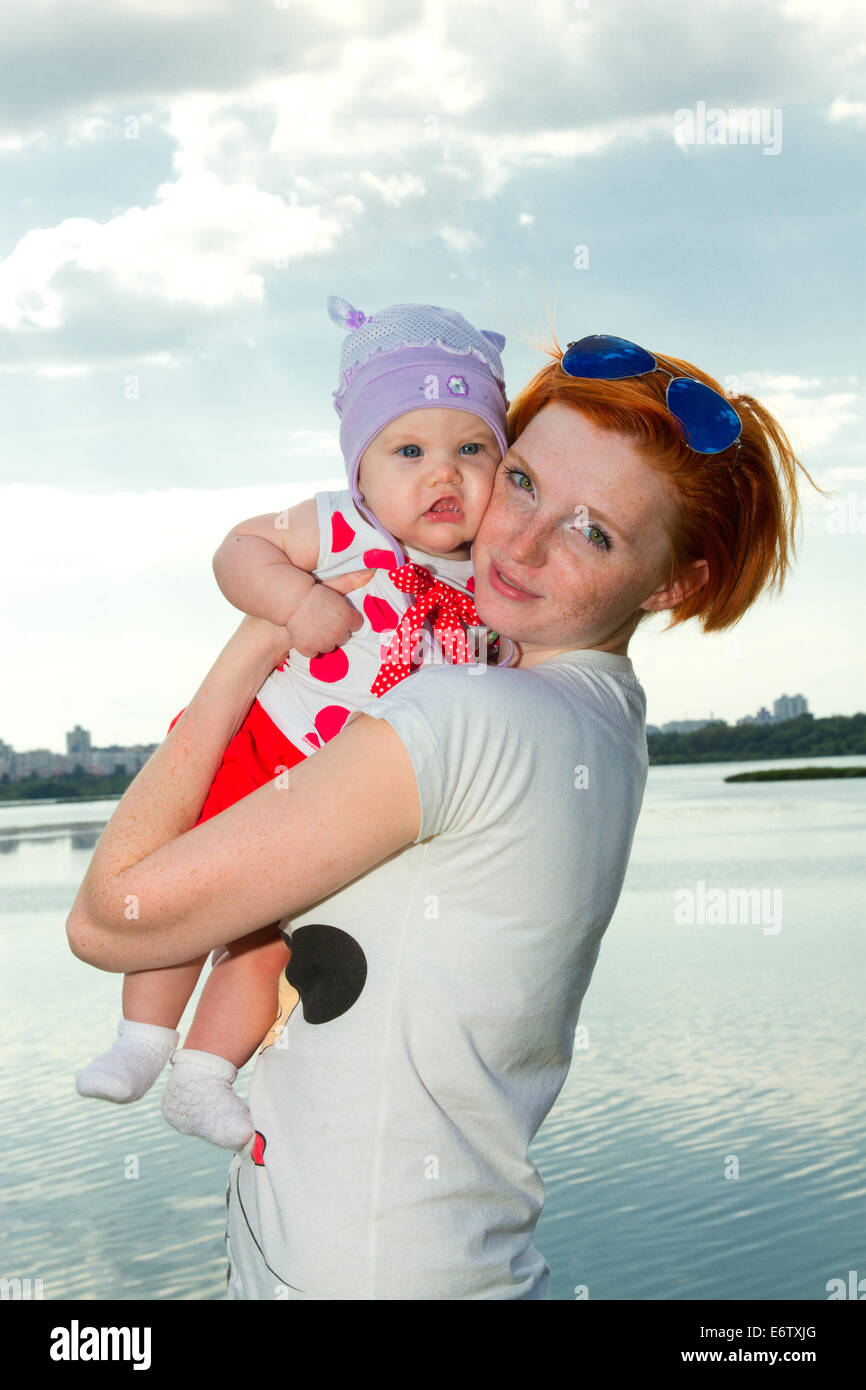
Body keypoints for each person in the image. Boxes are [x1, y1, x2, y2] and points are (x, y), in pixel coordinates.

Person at [66, 331, 811, 1300]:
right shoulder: (601, 713)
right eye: (521, 482)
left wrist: (253, 642)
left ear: (675, 583)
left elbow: (109, 920)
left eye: (594, 533)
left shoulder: (467, 714)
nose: (519, 543)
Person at [74, 297, 511, 1150]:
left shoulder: (485, 581)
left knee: (268, 939)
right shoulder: (342, 523)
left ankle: (203, 1076)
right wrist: (294, 600)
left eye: (473, 451)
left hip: (338, 797)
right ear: (361, 469)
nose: (444, 475)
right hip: (264, 744)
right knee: (186, 896)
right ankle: (142, 1040)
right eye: (410, 451)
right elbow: (237, 550)